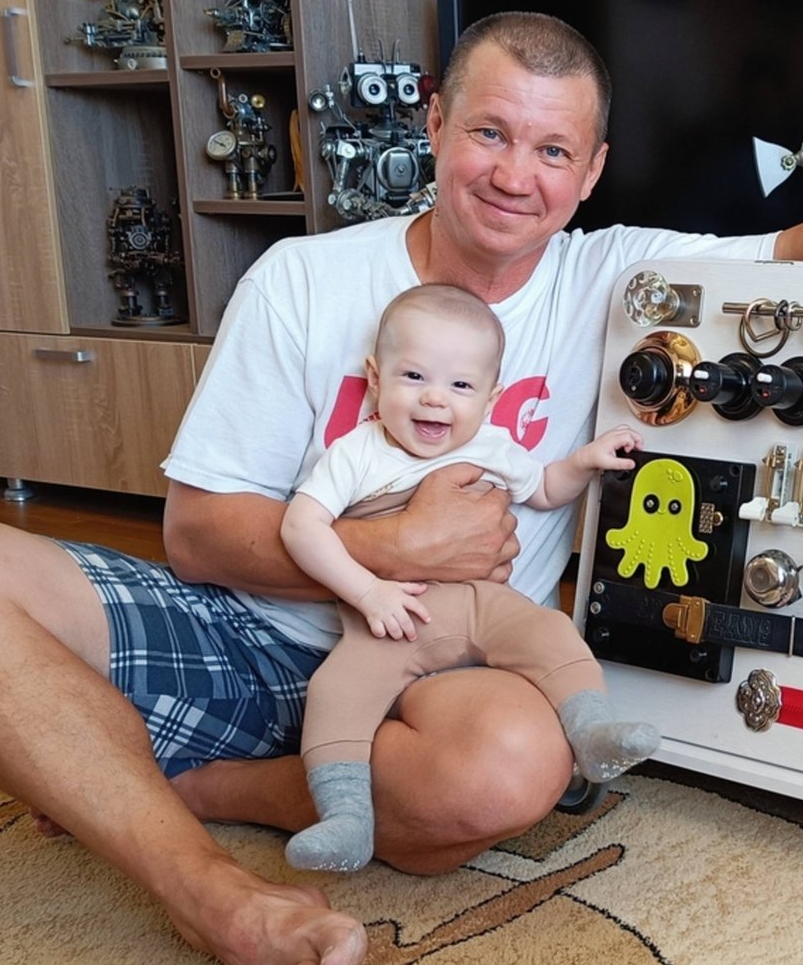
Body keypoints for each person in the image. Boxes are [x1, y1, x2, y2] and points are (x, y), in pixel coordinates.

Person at [0, 10, 803, 965]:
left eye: (552, 149)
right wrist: (387, 549)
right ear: (434, 123)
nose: (514, 174)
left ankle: (215, 785)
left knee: (514, 770)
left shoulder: (623, 280)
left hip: (440, 672)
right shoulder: (304, 279)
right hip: (253, 633)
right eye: (488, 132)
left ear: (591, 171)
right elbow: (195, 534)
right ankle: (215, 897)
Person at [279, 283, 656, 873]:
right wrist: (367, 590)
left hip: (483, 605)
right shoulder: (358, 452)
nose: (435, 398)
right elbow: (301, 526)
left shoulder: (492, 445)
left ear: (491, 397)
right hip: (391, 619)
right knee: (334, 692)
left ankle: (592, 729)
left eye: (460, 386)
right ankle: (346, 819)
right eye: (413, 377)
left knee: (547, 630)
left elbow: (544, 488)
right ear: (376, 379)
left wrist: (585, 460)